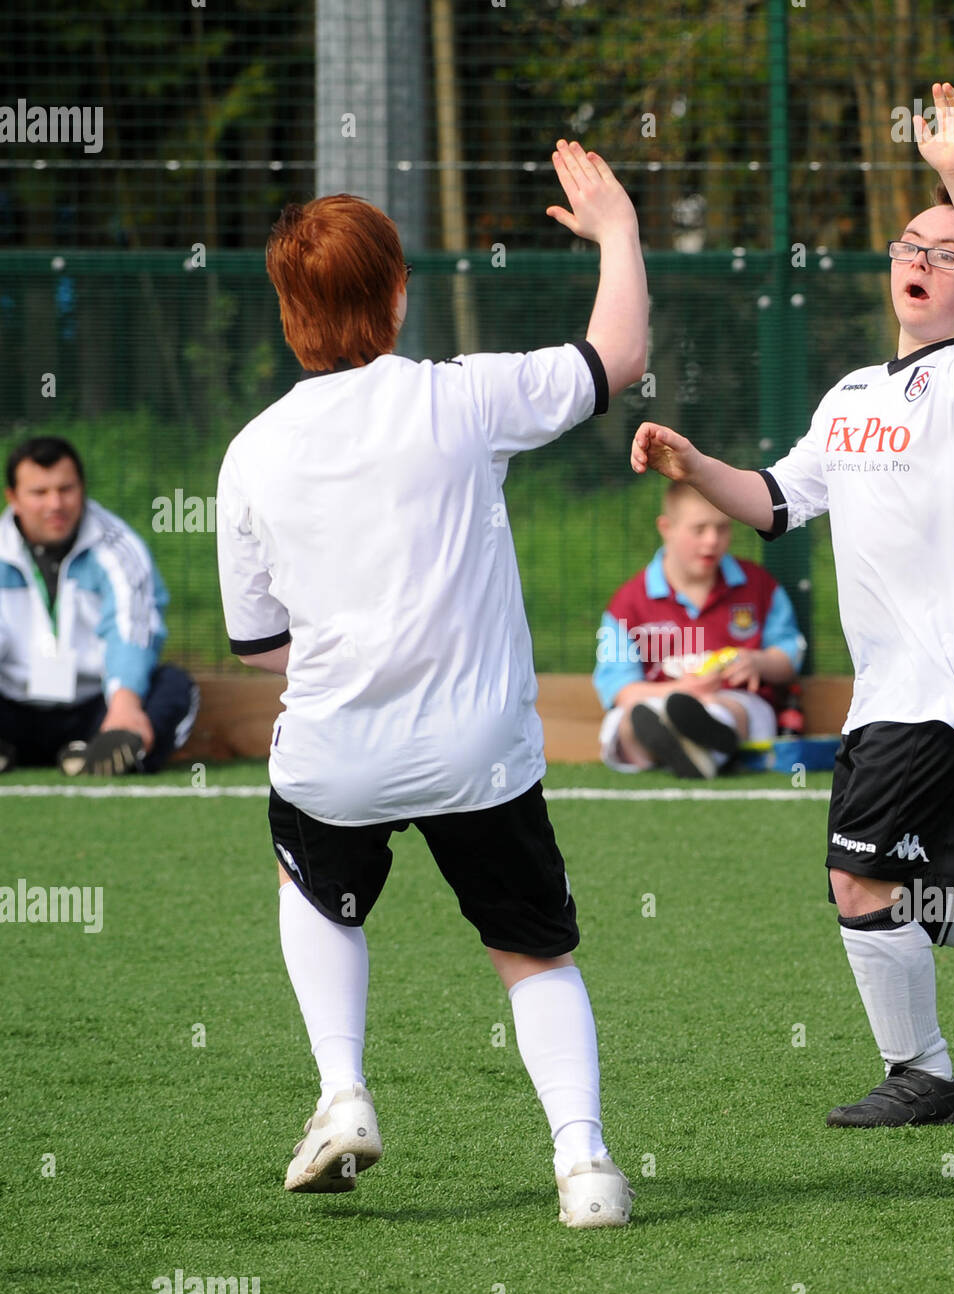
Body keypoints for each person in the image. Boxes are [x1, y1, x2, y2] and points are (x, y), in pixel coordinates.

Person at [630, 84, 954, 1127]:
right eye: (912, 242)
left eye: (948, 249)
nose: (926, 258)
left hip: (941, 683)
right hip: (889, 693)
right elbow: (773, 500)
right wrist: (688, 459)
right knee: (922, 900)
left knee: (858, 885)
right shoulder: (852, 394)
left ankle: (926, 1075)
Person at [216, 140, 647, 1225]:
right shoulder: (463, 397)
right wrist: (620, 229)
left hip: (332, 761)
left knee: (313, 889)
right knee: (528, 949)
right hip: (478, 756)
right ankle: (585, 1165)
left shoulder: (251, 453)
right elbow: (618, 354)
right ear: (399, 296)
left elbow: (258, 644)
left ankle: (344, 1092)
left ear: (285, 310)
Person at [0, 435, 198, 775]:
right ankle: (97, 760)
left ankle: (110, 751)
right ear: (13, 498)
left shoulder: (120, 547)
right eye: (39, 492)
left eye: (66, 489)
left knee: (176, 686)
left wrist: (124, 706)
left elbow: (131, 629)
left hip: (96, 709)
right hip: (12, 705)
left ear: (83, 488)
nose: (55, 504)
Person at [594, 481, 804, 778]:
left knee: (732, 709)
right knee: (627, 718)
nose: (712, 541)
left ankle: (698, 741)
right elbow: (619, 688)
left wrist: (759, 662)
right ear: (666, 528)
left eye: (722, 528)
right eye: (699, 529)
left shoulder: (760, 587)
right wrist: (680, 691)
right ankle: (679, 746)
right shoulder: (628, 603)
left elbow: (790, 658)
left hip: (732, 698)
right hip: (658, 697)